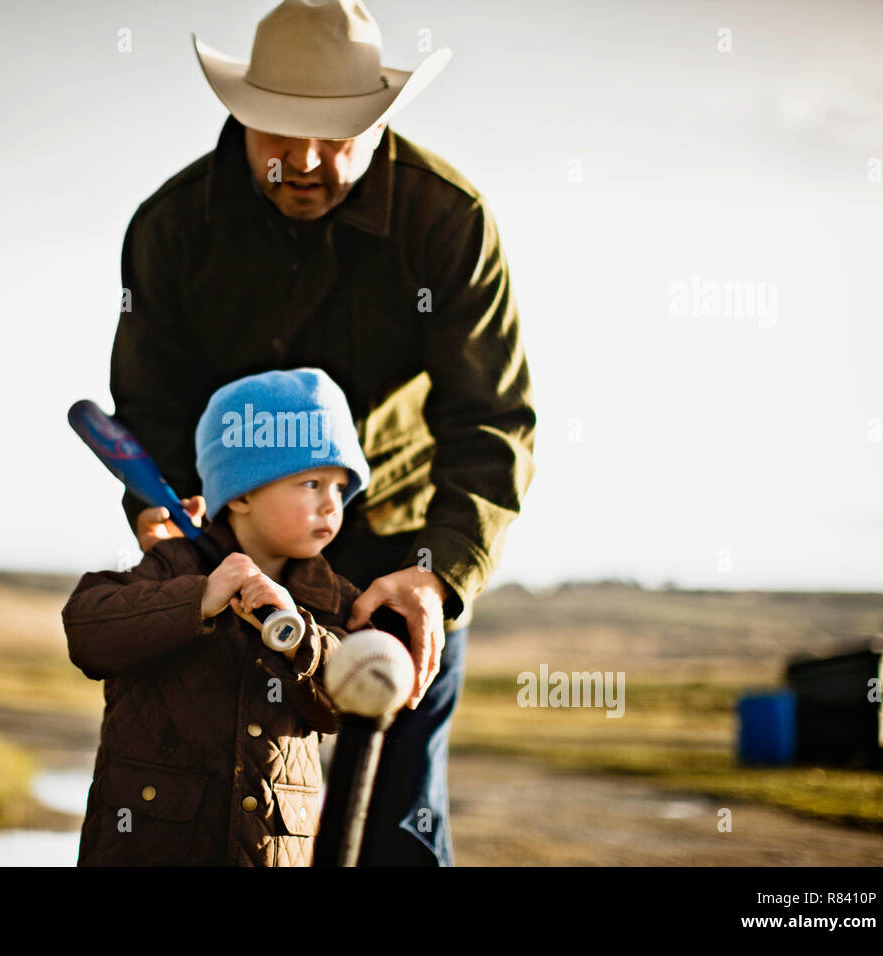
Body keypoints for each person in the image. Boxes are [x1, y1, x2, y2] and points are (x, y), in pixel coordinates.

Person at [110, 0, 536, 865]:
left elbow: (488, 421)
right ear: (240, 112)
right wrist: (164, 530)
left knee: (397, 834)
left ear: (379, 120)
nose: (305, 164)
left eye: (336, 137)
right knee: (210, 820)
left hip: (397, 564)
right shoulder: (170, 229)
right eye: (279, 134)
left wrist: (439, 579)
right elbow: (150, 412)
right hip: (227, 561)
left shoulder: (449, 221)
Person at [62, 368, 371, 866]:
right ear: (243, 495)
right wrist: (198, 598)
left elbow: (351, 699)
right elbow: (88, 629)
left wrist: (299, 637)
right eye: (312, 482)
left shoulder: (332, 599)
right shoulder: (171, 564)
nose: (331, 504)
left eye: (341, 487)